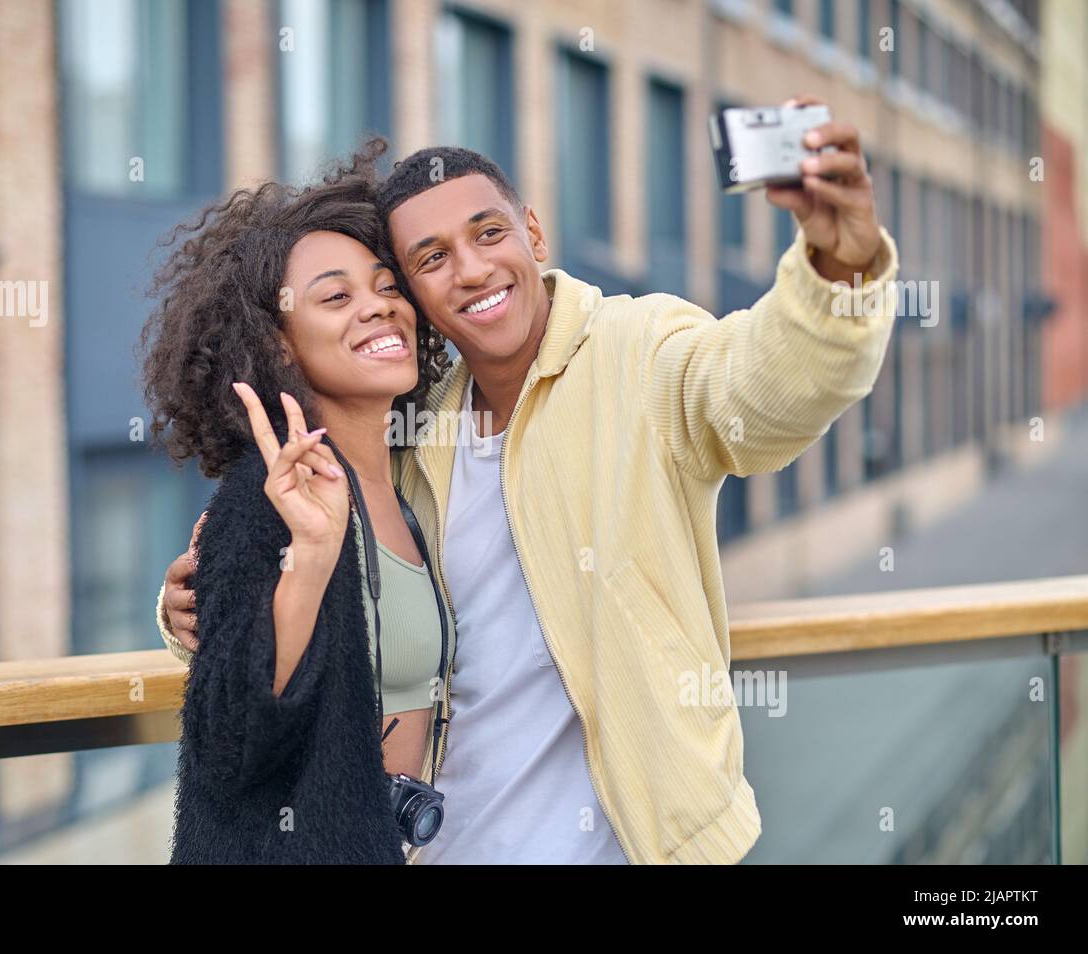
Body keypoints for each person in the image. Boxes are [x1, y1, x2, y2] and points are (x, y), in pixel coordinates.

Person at [158, 95, 901, 863]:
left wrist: (836, 270)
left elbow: (772, 387)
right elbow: (338, 632)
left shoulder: (639, 354)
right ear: (416, 291)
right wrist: (201, 603)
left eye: (488, 233)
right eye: (432, 258)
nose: (473, 268)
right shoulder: (409, 437)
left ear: (533, 233)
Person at [141, 140, 453, 863]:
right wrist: (310, 560)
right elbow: (229, 746)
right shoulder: (266, 499)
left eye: (386, 286)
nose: (378, 308)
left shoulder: (415, 476)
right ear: (278, 343)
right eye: (337, 297)